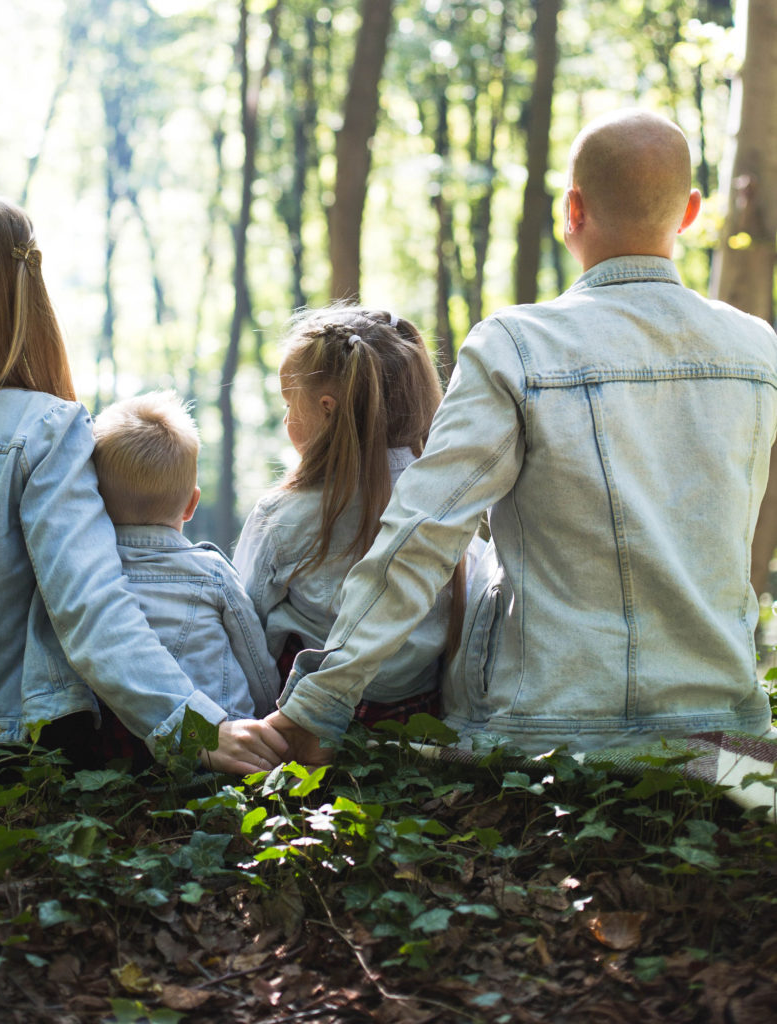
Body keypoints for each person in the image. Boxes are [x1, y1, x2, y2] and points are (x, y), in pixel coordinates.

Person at [266, 109, 777, 762]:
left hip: (545, 730)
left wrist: (319, 703)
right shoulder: (757, 349)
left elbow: (423, 532)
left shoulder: (515, 346)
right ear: (691, 213)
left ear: (572, 209)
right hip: (724, 729)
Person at [0, 192, 287, 775]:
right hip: (11, 756)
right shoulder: (44, 428)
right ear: (25, 295)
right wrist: (195, 728)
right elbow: (91, 607)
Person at [233, 306, 482, 726]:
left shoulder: (282, 515)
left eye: (289, 404)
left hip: (303, 723)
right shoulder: (451, 505)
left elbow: (245, 628)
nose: (286, 418)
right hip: (417, 722)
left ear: (327, 409)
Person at [91, 389, 279, 721]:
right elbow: (256, 664)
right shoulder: (212, 574)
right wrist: (268, 713)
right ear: (192, 504)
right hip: (222, 733)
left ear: (95, 500)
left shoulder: (87, 575)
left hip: (122, 738)